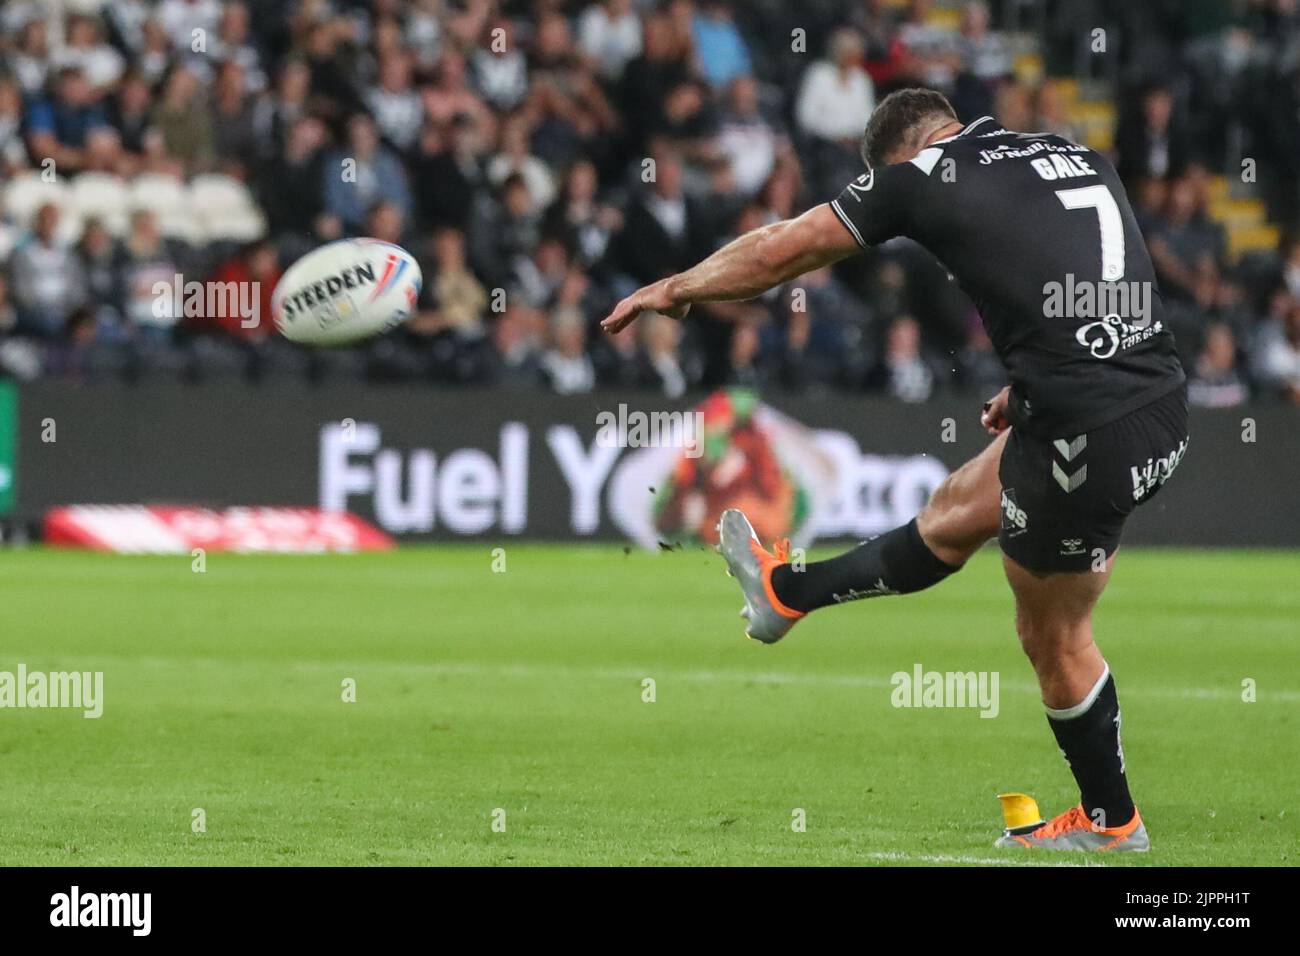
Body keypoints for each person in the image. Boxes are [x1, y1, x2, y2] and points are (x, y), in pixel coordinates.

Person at [601, 89, 1189, 854]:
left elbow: (787, 246)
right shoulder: (1072, 153)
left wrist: (678, 287)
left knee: (1055, 635)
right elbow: (1106, 284)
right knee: (957, 507)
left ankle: (1114, 824)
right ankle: (787, 594)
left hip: (1089, 436)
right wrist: (1039, 380)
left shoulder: (918, 175)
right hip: (1156, 407)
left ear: (896, 155)